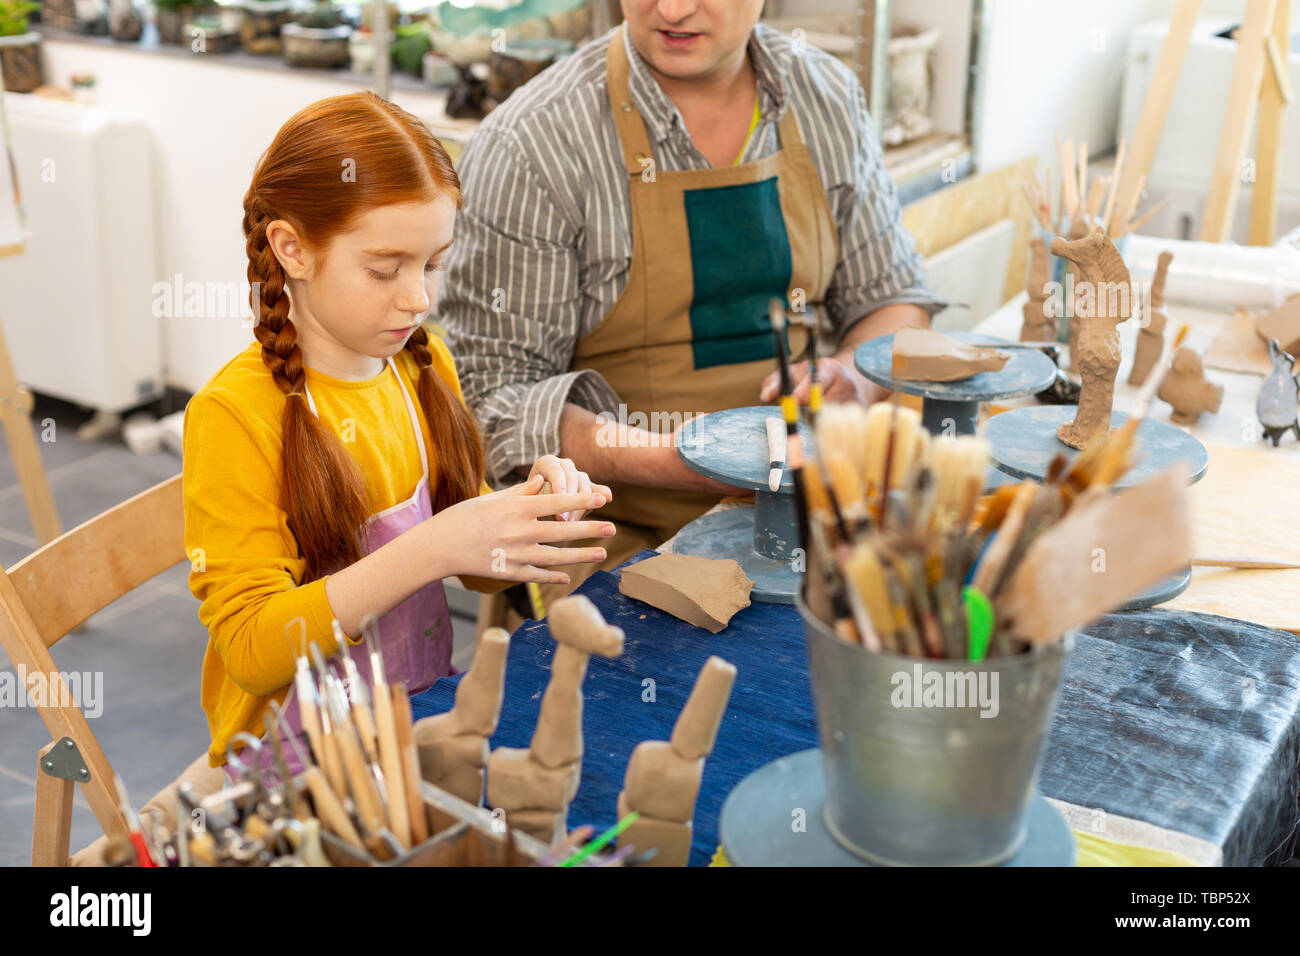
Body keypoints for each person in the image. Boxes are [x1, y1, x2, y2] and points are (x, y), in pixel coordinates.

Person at [440, 1, 945, 620]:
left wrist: (854, 382)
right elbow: (494, 404)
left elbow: (893, 300)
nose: (673, 8)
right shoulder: (534, 142)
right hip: (620, 545)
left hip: (819, 514)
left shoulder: (825, 94)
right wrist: (685, 461)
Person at [183, 91, 613, 776]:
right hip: (296, 765)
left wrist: (530, 521)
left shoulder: (420, 366)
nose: (419, 298)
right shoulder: (235, 415)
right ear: (291, 248)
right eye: (385, 269)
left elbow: (470, 565)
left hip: (410, 719)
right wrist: (433, 547)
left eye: (433, 265)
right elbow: (251, 650)